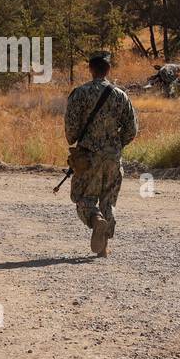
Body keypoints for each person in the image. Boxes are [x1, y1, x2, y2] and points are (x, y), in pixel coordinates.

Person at [63, 51, 139, 256]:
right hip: (113, 158)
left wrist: (79, 141)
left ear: (90, 69)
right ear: (108, 69)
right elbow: (132, 129)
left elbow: (70, 128)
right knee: (109, 200)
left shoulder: (80, 93)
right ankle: (103, 248)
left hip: (88, 157)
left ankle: (96, 220)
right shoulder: (121, 96)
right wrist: (115, 146)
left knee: (82, 198)